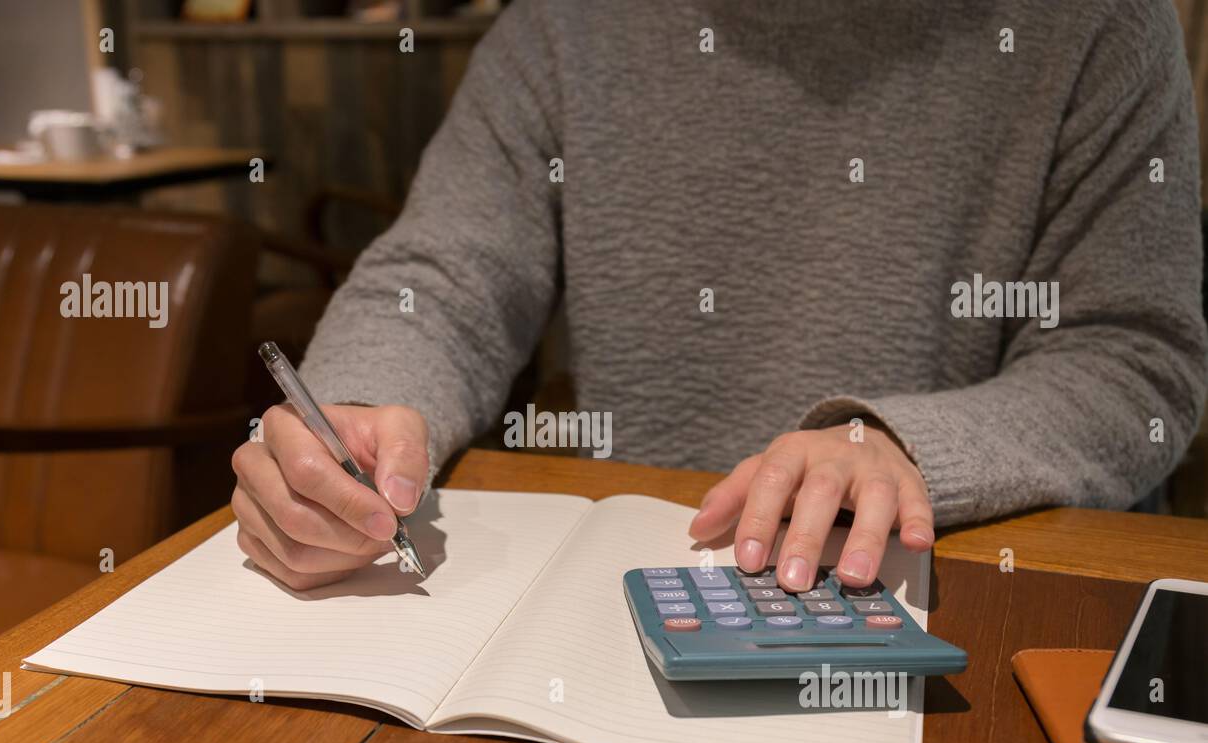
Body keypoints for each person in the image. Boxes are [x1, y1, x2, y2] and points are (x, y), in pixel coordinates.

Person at [231, 0, 1208, 594]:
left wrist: (901, 448)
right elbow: (445, 277)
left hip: (974, 597)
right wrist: (357, 408)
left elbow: (1134, 362)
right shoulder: (564, 27)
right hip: (643, 589)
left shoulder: (1098, 23)